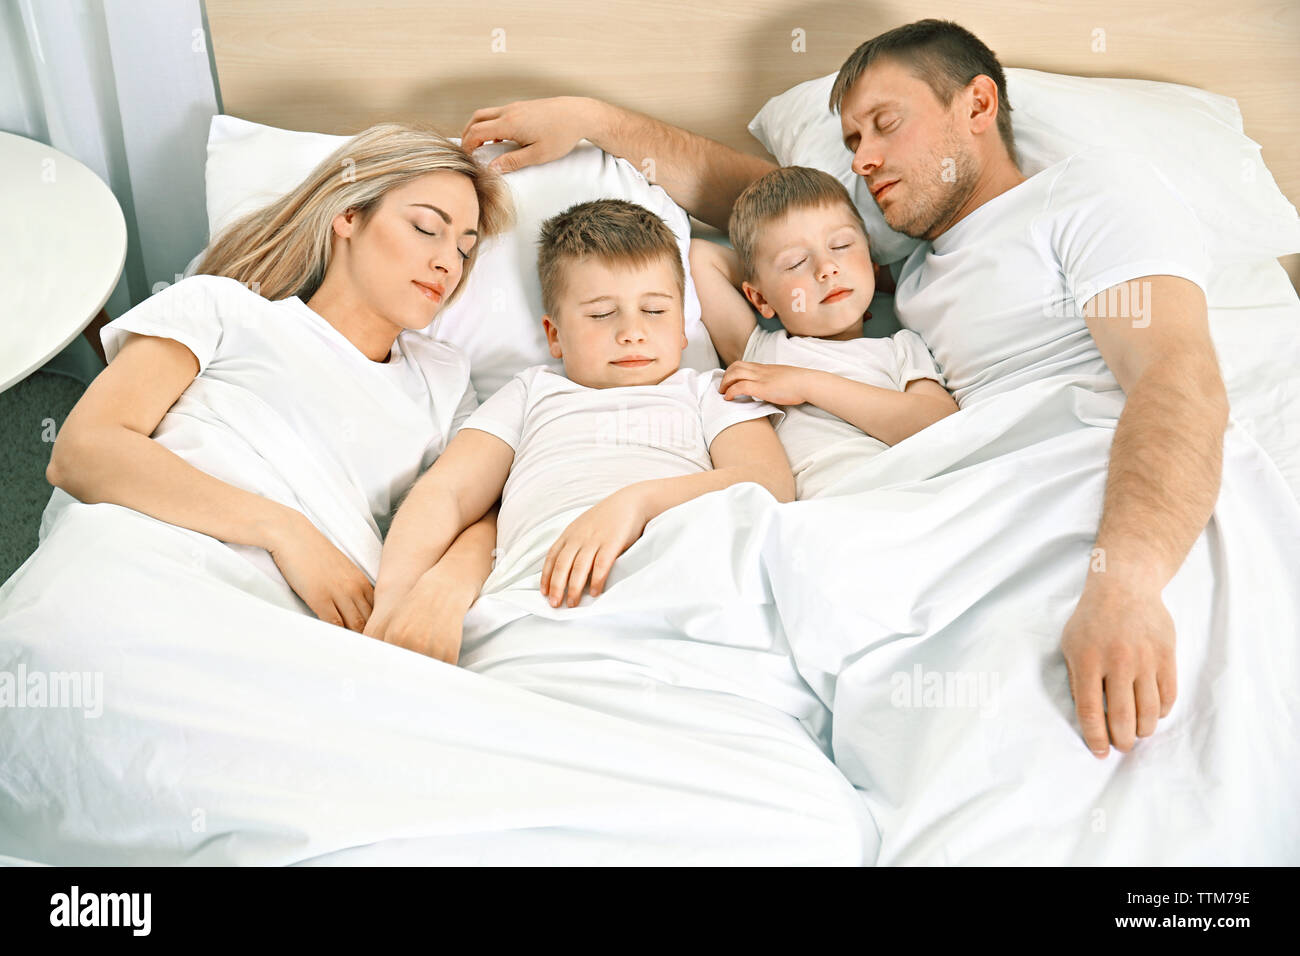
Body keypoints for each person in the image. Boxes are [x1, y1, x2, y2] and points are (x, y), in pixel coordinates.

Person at [457, 18, 1230, 757]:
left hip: (1097, 510)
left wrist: (1128, 584)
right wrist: (594, 122)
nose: (861, 158)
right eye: (852, 139)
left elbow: (1176, 378)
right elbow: (766, 211)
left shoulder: (1082, 194)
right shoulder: (906, 261)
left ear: (978, 105)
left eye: (884, 125)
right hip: (939, 519)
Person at [34, 122, 514, 662]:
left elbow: (484, 510)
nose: (448, 263)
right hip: (152, 556)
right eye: (428, 228)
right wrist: (283, 531)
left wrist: (444, 590)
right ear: (349, 217)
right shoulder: (222, 307)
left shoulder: (444, 382)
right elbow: (83, 451)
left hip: (298, 625)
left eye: (466, 250)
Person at [367, 198, 793, 645]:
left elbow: (768, 483)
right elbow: (447, 493)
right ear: (554, 335)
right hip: (537, 598)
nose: (632, 331)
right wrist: (395, 599)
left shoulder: (710, 390)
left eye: (654, 310)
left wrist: (635, 504)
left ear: (684, 327)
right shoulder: (532, 393)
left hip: (684, 572)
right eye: (601, 313)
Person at [691, 165, 957, 499]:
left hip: (907, 493)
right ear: (758, 298)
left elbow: (941, 426)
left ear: (872, 259)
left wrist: (805, 384)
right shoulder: (760, 351)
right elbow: (698, 257)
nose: (827, 268)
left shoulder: (901, 348)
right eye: (795, 263)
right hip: (823, 513)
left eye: (842, 245)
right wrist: (766, 279)